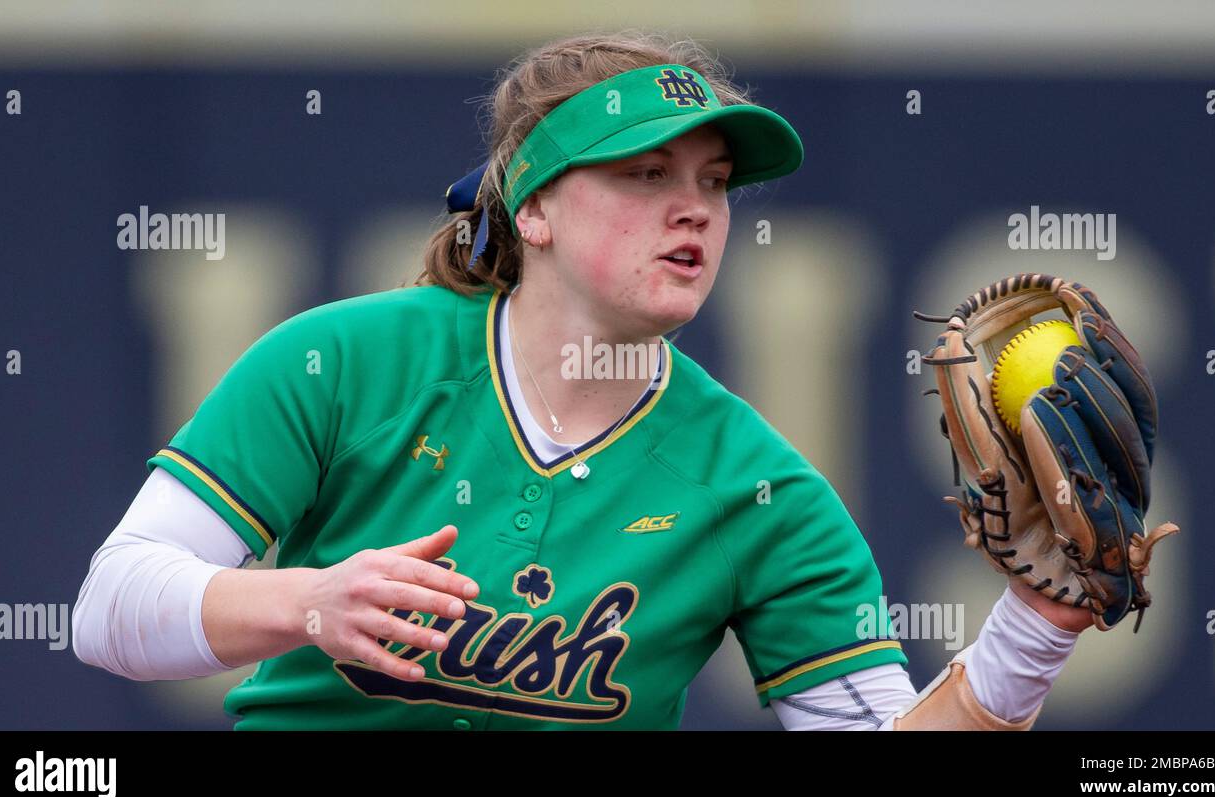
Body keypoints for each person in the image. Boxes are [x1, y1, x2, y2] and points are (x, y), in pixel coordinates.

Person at [72, 30, 1088, 730]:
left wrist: (1034, 630)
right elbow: (110, 606)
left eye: (713, 182)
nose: (692, 208)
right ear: (534, 209)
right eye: (645, 173)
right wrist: (309, 603)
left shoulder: (762, 492)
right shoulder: (342, 362)